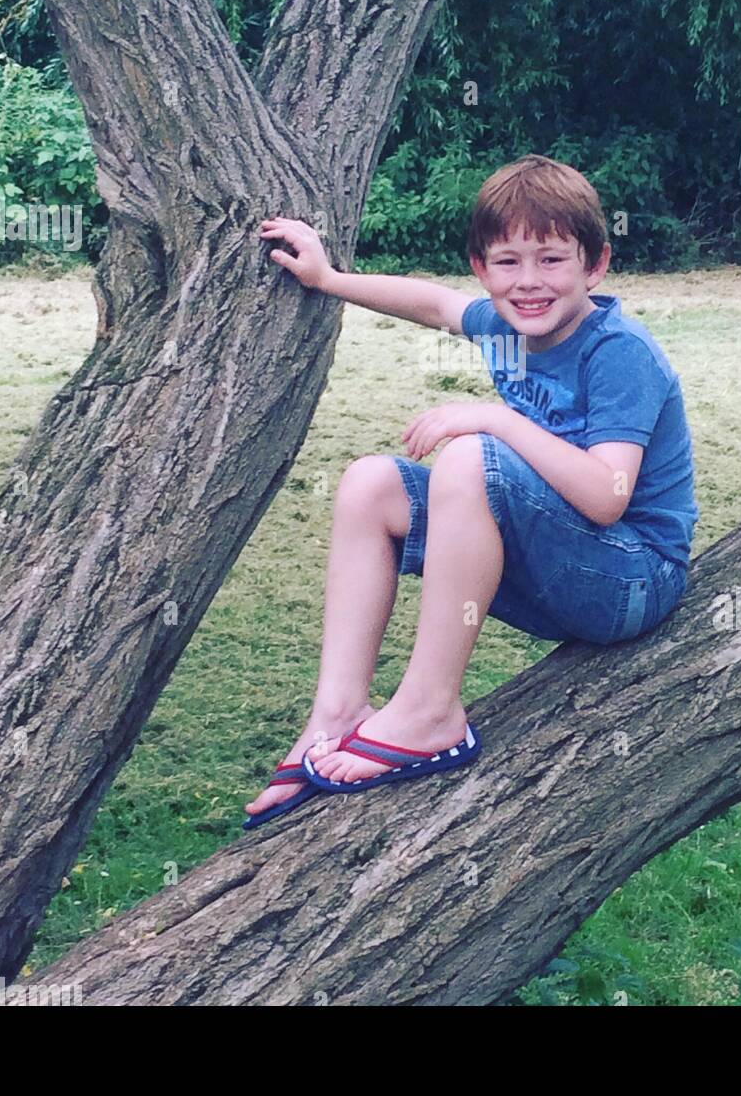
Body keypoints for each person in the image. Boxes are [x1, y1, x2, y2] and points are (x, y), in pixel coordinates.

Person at [243, 154, 697, 826]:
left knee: (472, 457)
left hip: (631, 579)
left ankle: (430, 711)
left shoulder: (617, 350)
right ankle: (336, 711)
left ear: (595, 266)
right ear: (482, 270)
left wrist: (497, 420)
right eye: (507, 262)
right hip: (557, 572)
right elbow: (433, 303)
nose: (529, 281)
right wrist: (329, 278)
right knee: (371, 485)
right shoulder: (504, 325)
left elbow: (608, 496)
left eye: (551, 259)